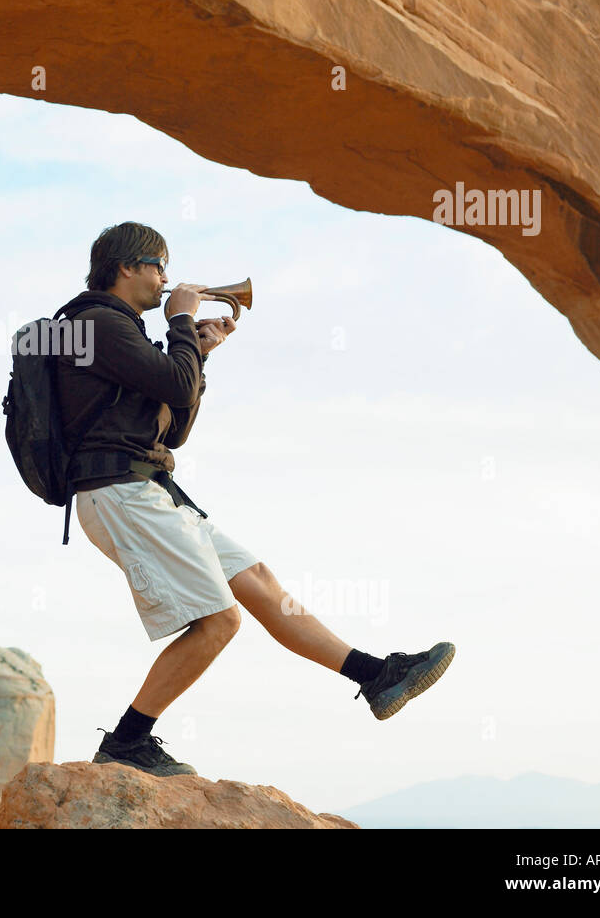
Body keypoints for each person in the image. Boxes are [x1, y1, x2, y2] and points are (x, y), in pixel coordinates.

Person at [54, 222, 455, 777]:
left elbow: (173, 429)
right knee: (219, 621)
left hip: (147, 484)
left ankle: (375, 675)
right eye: (159, 266)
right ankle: (126, 743)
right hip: (118, 490)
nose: (166, 279)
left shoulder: (119, 333)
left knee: (259, 580)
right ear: (128, 267)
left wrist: (201, 349)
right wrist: (181, 322)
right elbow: (176, 385)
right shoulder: (96, 325)